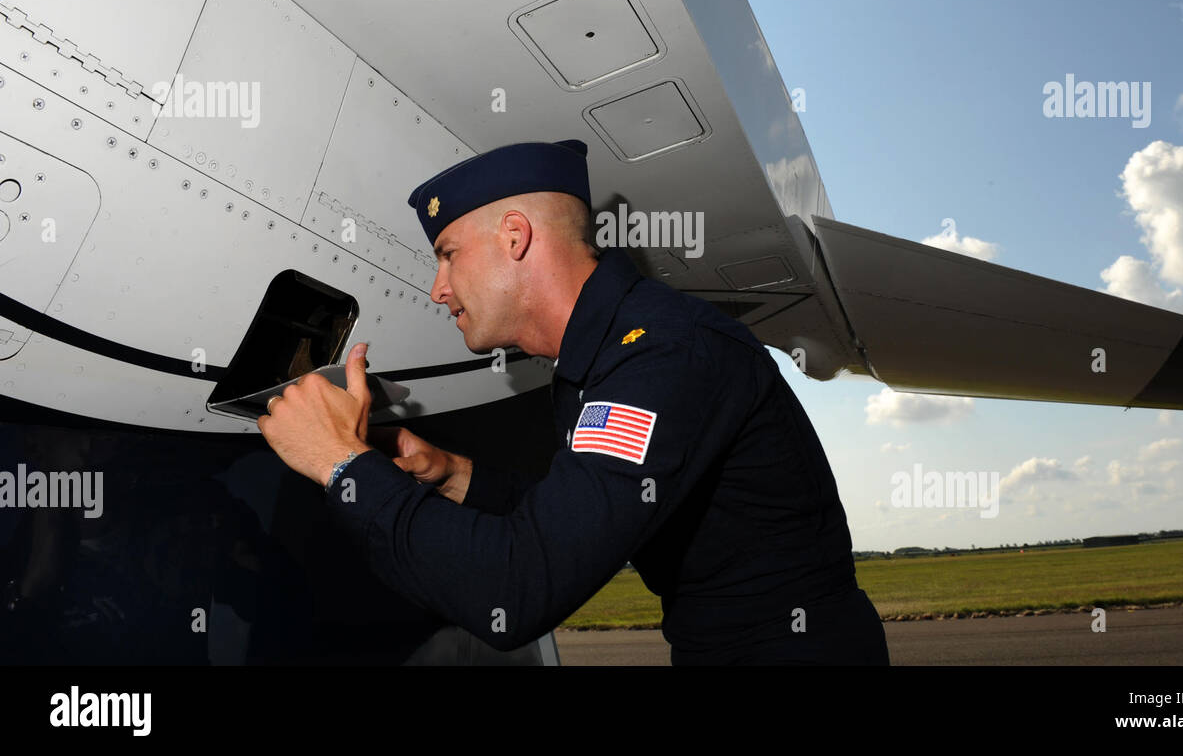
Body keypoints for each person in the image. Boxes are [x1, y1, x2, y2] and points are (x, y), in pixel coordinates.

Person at [258, 139, 889, 665]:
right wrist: (455, 475)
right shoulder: (602, 358)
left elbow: (518, 588)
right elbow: (574, 514)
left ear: (515, 236)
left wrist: (341, 465)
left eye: (448, 255)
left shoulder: (661, 354)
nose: (437, 287)